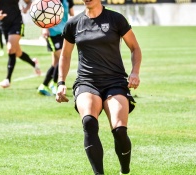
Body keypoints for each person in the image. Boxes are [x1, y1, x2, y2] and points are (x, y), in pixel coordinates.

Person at [55, 0, 142, 174]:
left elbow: (134, 48)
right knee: (89, 122)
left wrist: (135, 72)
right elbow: (65, 55)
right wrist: (61, 82)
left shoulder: (116, 19)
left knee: (119, 130)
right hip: (87, 82)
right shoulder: (73, 23)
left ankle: (125, 170)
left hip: (115, 81)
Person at [0, 0, 41, 88]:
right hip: (4, 24)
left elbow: (29, 2)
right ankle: (34, 63)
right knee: (17, 53)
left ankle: (7, 79)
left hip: (17, 23)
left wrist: (26, 9)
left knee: (10, 49)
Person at [37, 0, 74, 96]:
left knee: (56, 63)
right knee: (63, 57)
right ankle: (54, 84)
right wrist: (44, 28)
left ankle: (44, 85)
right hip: (52, 34)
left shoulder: (68, 1)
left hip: (64, 34)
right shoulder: (48, 1)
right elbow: (41, 14)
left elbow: (72, 14)